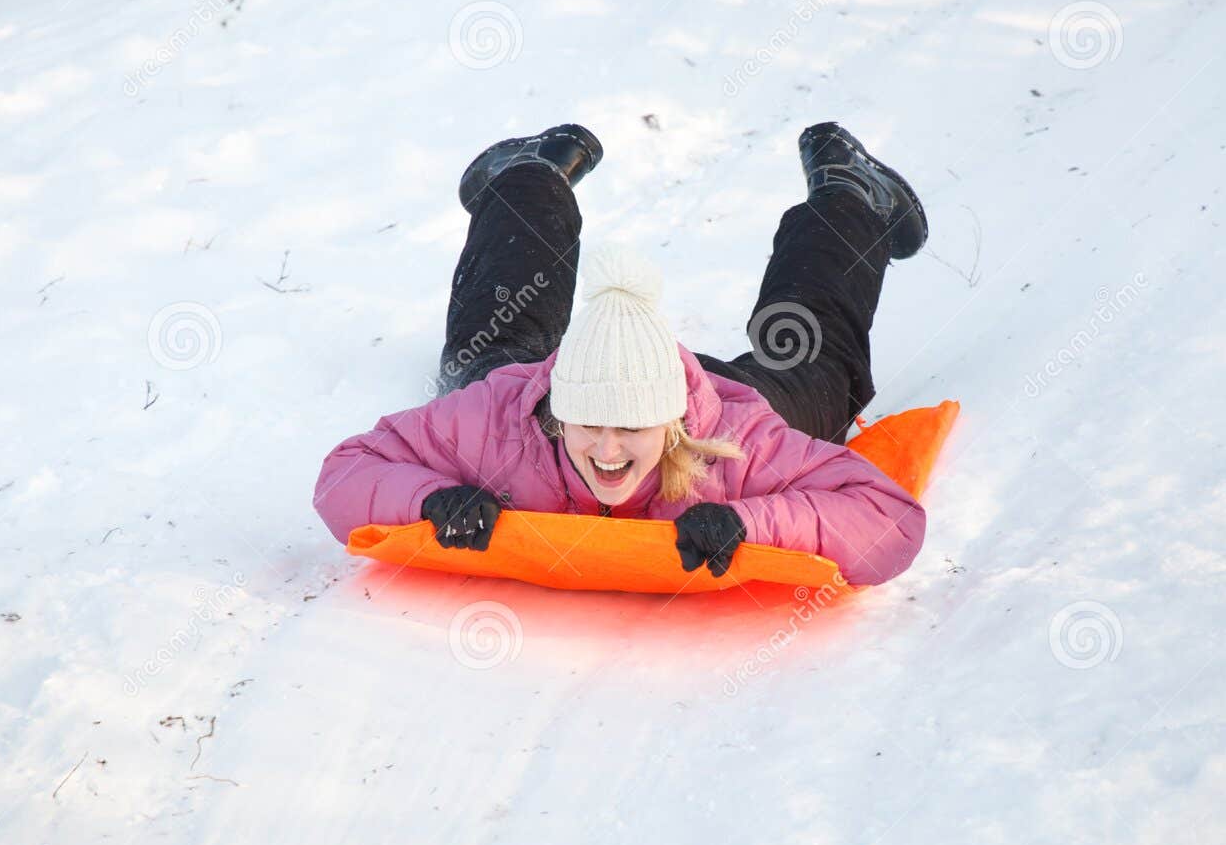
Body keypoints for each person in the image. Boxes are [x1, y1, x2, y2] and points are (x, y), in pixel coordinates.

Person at [313, 122, 929, 586]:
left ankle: (850, 194)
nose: (607, 452)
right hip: (530, 382)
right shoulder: (497, 424)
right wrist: (430, 499)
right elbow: (344, 474)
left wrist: (751, 523)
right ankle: (532, 173)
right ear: (556, 412)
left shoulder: (736, 448)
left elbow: (890, 524)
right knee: (492, 344)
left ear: (670, 423)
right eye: (589, 427)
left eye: (631, 429)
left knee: (811, 367)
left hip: (721, 402)